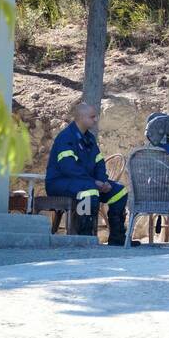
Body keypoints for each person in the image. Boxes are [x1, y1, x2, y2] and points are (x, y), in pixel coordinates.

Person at [46, 102, 128, 245]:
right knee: (89, 191)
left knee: (119, 191)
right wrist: (94, 183)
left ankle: (117, 238)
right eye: (92, 117)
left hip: (85, 182)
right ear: (81, 118)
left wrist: (103, 181)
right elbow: (68, 168)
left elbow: (99, 163)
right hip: (59, 183)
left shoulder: (89, 138)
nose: (95, 120)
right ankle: (85, 237)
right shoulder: (66, 137)